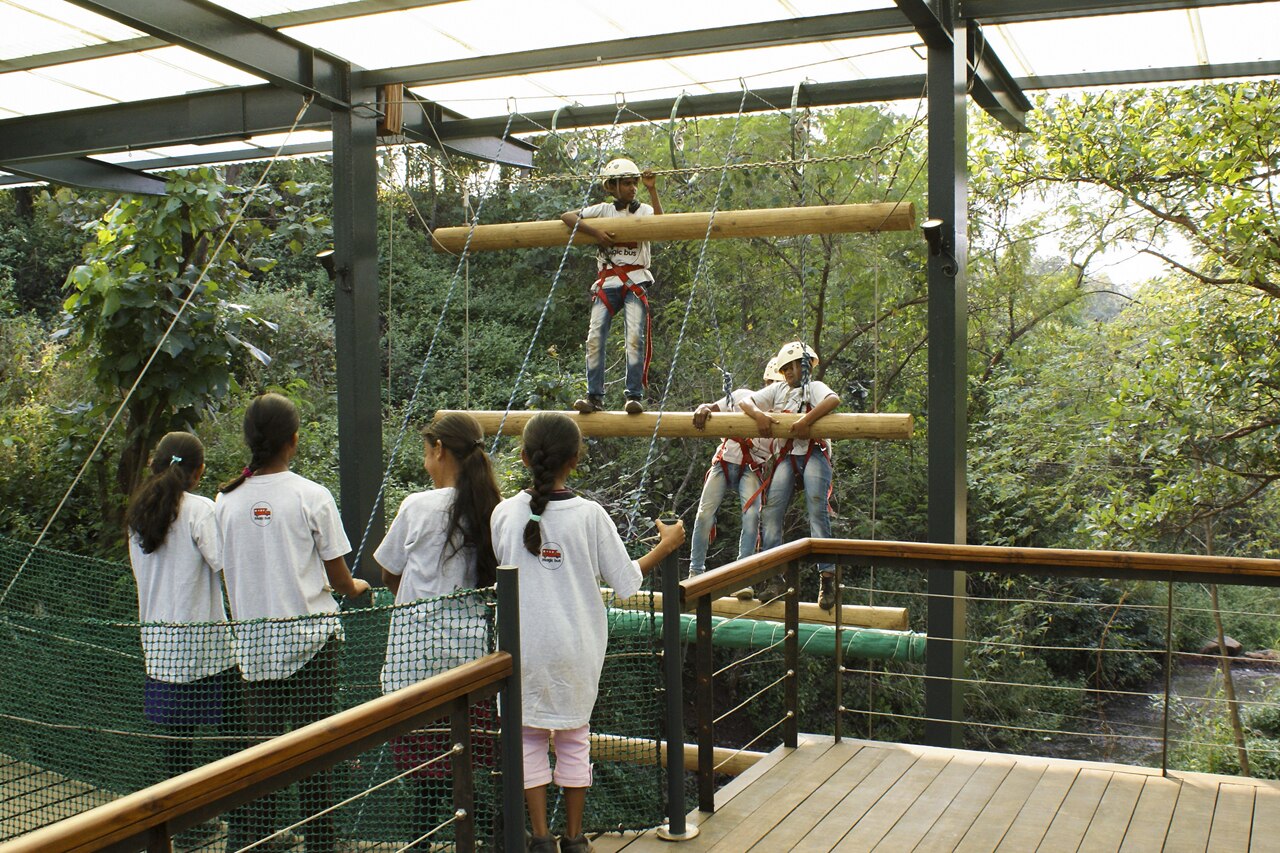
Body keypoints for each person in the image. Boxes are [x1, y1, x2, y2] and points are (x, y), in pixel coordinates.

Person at [490, 412, 684, 853]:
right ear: (575, 461)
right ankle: (574, 839)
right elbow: (625, 582)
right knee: (575, 737)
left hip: (521, 648)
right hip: (577, 648)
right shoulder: (590, 515)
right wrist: (666, 546)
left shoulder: (504, 513)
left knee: (528, 739)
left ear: (523, 458)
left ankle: (538, 837)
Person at [216, 393, 370, 853]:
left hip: (255, 652)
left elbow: (231, 572)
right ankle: (322, 842)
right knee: (316, 753)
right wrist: (359, 588)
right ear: (293, 441)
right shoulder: (311, 496)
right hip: (312, 645)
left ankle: (256, 842)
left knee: (262, 757)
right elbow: (339, 579)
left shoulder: (224, 502)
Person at [374, 412, 501, 850]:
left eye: (426, 451)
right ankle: (485, 831)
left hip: (418, 660)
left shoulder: (416, 506)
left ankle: (432, 840)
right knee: (460, 760)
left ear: (439, 450)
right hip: (471, 661)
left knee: (423, 766)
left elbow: (389, 572)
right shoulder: (492, 509)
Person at [126, 430, 237, 823]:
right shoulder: (200, 510)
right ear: (198, 471)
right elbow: (225, 563)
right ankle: (241, 824)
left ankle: (181, 826)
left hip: (160, 651)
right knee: (234, 740)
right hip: (208, 651)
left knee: (176, 748)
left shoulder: (138, 514)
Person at [739, 342, 842, 610]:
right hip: (787, 455)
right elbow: (744, 401)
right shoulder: (778, 390)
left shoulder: (814, 388)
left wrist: (806, 421)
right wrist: (760, 416)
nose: (787, 373)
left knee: (816, 510)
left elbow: (833, 400)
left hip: (812, 452)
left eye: (791, 367)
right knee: (771, 513)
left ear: (804, 366)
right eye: (784, 369)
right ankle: (775, 577)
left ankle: (827, 577)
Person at [563, 157, 663, 416]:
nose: (632, 188)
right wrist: (595, 233)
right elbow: (567, 216)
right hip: (607, 281)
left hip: (635, 280)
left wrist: (652, 190)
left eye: (634, 183)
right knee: (594, 337)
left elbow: (663, 223)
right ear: (612, 187)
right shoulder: (604, 211)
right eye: (627, 183)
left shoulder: (642, 211)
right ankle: (594, 396)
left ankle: (633, 395)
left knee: (634, 338)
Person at [687, 358, 784, 579]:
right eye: (772, 383)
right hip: (724, 461)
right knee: (704, 515)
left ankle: (743, 575)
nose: (774, 389)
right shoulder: (742, 397)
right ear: (766, 382)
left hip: (751, 468)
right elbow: (712, 408)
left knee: (751, 517)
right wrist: (702, 408)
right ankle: (696, 571)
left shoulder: (783, 416)